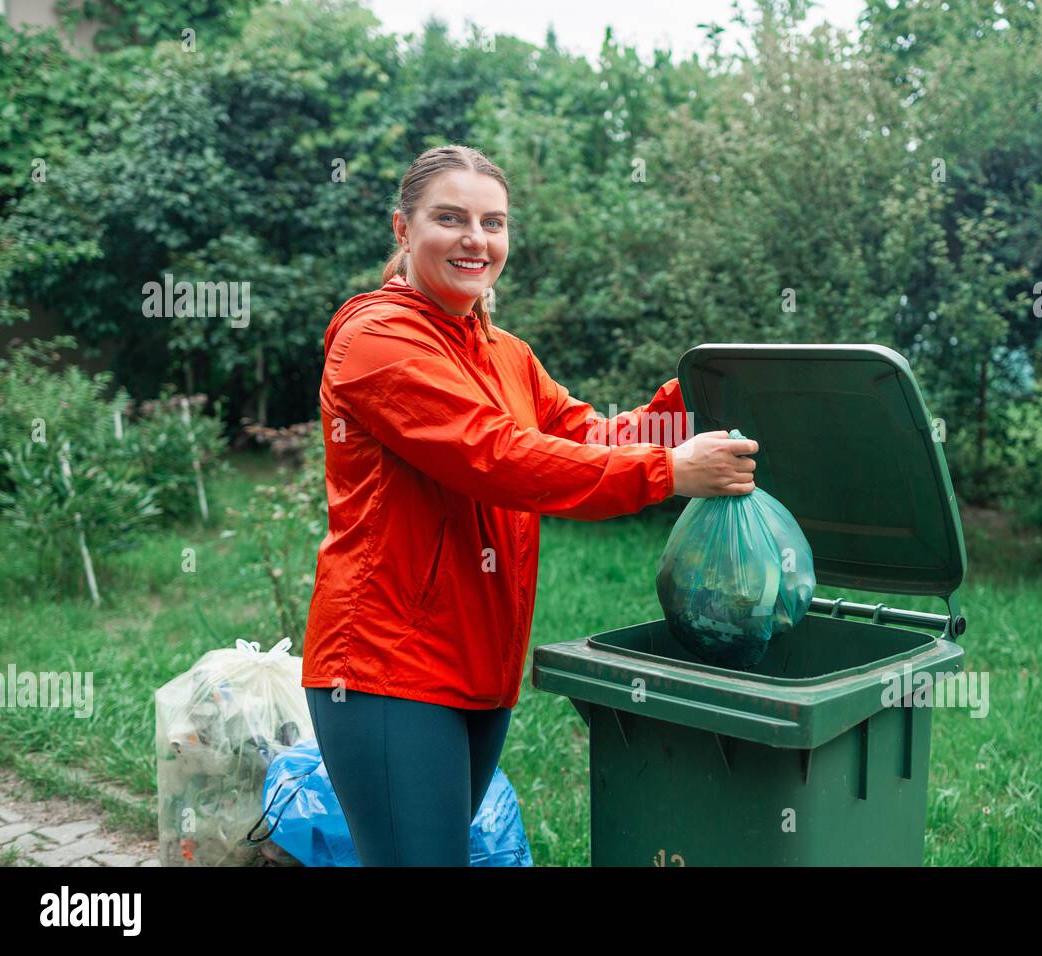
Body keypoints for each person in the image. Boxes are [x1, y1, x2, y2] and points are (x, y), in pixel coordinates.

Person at [301, 144, 758, 866]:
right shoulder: (375, 341)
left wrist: (696, 400)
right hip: (389, 664)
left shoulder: (505, 353)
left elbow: (590, 435)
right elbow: (500, 457)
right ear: (402, 228)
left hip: (483, 662)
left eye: (493, 222)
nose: (475, 239)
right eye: (449, 218)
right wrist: (667, 473)